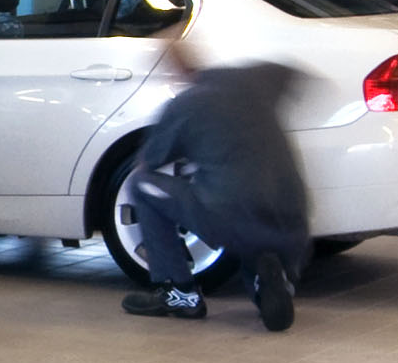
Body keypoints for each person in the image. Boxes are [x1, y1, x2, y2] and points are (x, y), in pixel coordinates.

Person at [118, 54, 312, 332]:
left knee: (142, 184)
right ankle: (275, 279)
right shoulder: (255, 80)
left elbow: (150, 160)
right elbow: (291, 72)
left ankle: (181, 294)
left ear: (179, 72)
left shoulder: (185, 105)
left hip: (231, 218)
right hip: (293, 223)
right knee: (255, 233)